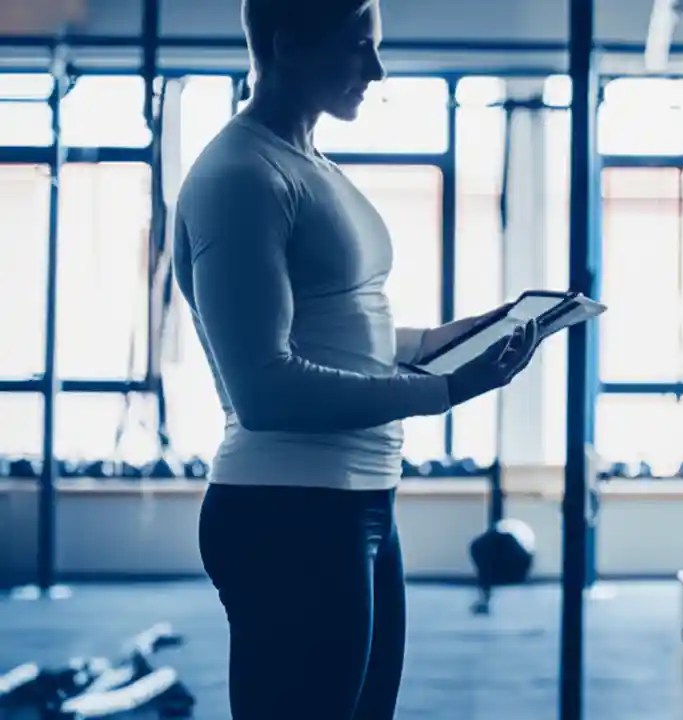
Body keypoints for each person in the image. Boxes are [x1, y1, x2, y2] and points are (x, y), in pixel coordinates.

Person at [171, 1, 538, 717]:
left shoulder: (309, 164)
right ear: (286, 47)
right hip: (288, 509)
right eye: (357, 48)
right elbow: (265, 390)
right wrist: (443, 391)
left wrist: (448, 341)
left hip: (358, 499)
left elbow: (341, 337)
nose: (376, 69)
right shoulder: (240, 175)